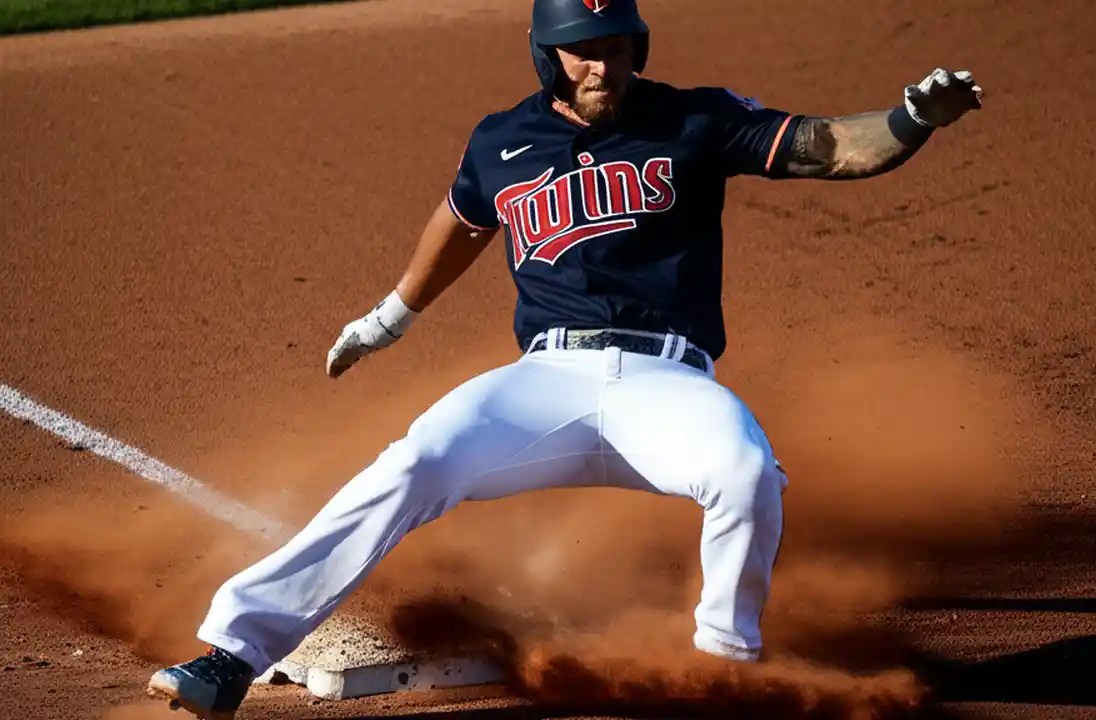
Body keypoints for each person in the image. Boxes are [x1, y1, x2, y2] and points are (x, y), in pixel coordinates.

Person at [146, 0, 982, 716]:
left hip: (667, 381)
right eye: (585, 50)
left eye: (616, 47)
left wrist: (910, 120)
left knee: (745, 472)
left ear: (637, 48)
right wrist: (390, 317)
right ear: (550, 55)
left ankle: (728, 667)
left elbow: (832, 145)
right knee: (414, 464)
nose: (602, 64)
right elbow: (461, 223)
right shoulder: (501, 140)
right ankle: (231, 656)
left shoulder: (693, 118)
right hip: (543, 381)